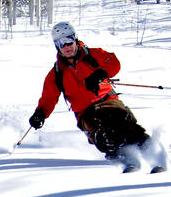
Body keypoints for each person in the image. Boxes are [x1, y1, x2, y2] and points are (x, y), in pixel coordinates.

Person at [28, 22, 164, 172]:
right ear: (56, 46)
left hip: (107, 100)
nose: (66, 47)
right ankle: (125, 159)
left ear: (75, 39)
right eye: (61, 44)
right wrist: (40, 114)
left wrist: (100, 73)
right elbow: (48, 98)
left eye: (69, 41)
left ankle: (155, 156)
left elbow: (113, 62)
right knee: (102, 132)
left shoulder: (92, 55)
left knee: (120, 121)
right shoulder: (57, 73)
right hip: (85, 113)